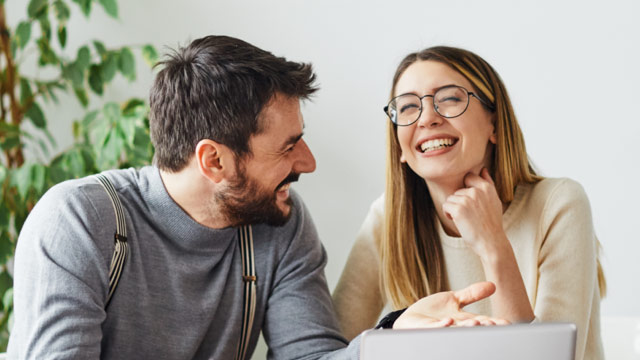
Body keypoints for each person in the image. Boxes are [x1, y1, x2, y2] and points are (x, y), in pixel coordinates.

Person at [7, 36, 505, 360]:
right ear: (215, 161)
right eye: (288, 147)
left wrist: (392, 341)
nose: (308, 162)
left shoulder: (280, 222)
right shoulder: (79, 222)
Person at [332, 46, 606, 360]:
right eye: (407, 107)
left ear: (494, 123)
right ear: (400, 147)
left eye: (449, 98)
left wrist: (493, 245)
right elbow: (331, 351)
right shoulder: (386, 218)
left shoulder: (559, 204)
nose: (427, 118)